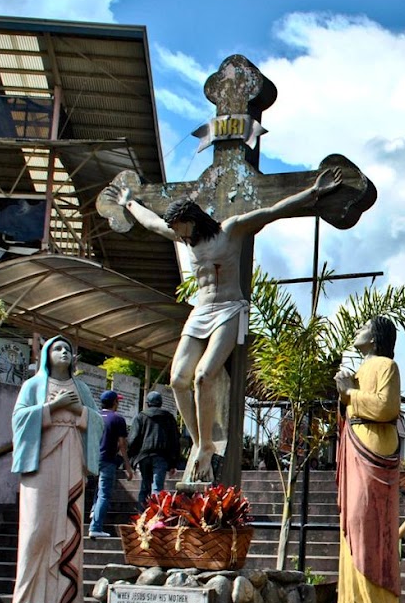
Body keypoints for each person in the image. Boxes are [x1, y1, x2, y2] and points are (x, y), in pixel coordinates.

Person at [107, 166, 344, 484]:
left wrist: (313, 192)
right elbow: (151, 223)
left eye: (181, 228)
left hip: (229, 310)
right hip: (200, 311)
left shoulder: (230, 229)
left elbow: (272, 211)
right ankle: (200, 443)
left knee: (203, 375)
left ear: (192, 219)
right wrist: (129, 202)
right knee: (178, 379)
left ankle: (206, 445)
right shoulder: (185, 238)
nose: (180, 235)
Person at [10, 336, 101, 603]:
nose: (63, 352)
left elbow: (97, 421)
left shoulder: (81, 388)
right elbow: (18, 420)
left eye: (67, 349)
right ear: (46, 355)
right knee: (35, 529)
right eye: (57, 349)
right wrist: (53, 406)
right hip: (41, 460)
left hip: (72, 455)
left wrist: (77, 410)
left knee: (70, 525)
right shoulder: (33, 385)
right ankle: (26, 602)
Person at [324, 316, 405, 603]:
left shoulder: (387, 366)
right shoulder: (358, 370)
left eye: (363, 328)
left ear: (375, 338)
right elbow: (349, 407)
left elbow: (387, 407)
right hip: (355, 442)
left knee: (367, 523)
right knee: (352, 523)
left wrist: (350, 394)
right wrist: (344, 392)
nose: (357, 331)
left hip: (374, 447)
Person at [127, 390, 182, 510]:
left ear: (147, 403)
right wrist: (174, 463)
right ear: (161, 403)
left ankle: (142, 514)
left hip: (144, 456)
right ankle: (156, 514)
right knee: (157, 488)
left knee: (144, 486)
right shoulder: (168, 417)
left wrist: (131, 459)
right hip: (161, 456)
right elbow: (175, 440)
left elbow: (133, 439)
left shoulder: (141, 417)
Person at [87, 390, 128, 539]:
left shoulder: (94, 416)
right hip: (108, 460)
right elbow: (122, 443)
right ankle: (95, 527)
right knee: (104, 494)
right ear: (115, 402)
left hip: (93, 458)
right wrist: (128, 465)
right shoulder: (117, 419)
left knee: (98, 488)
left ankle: (94, 510)